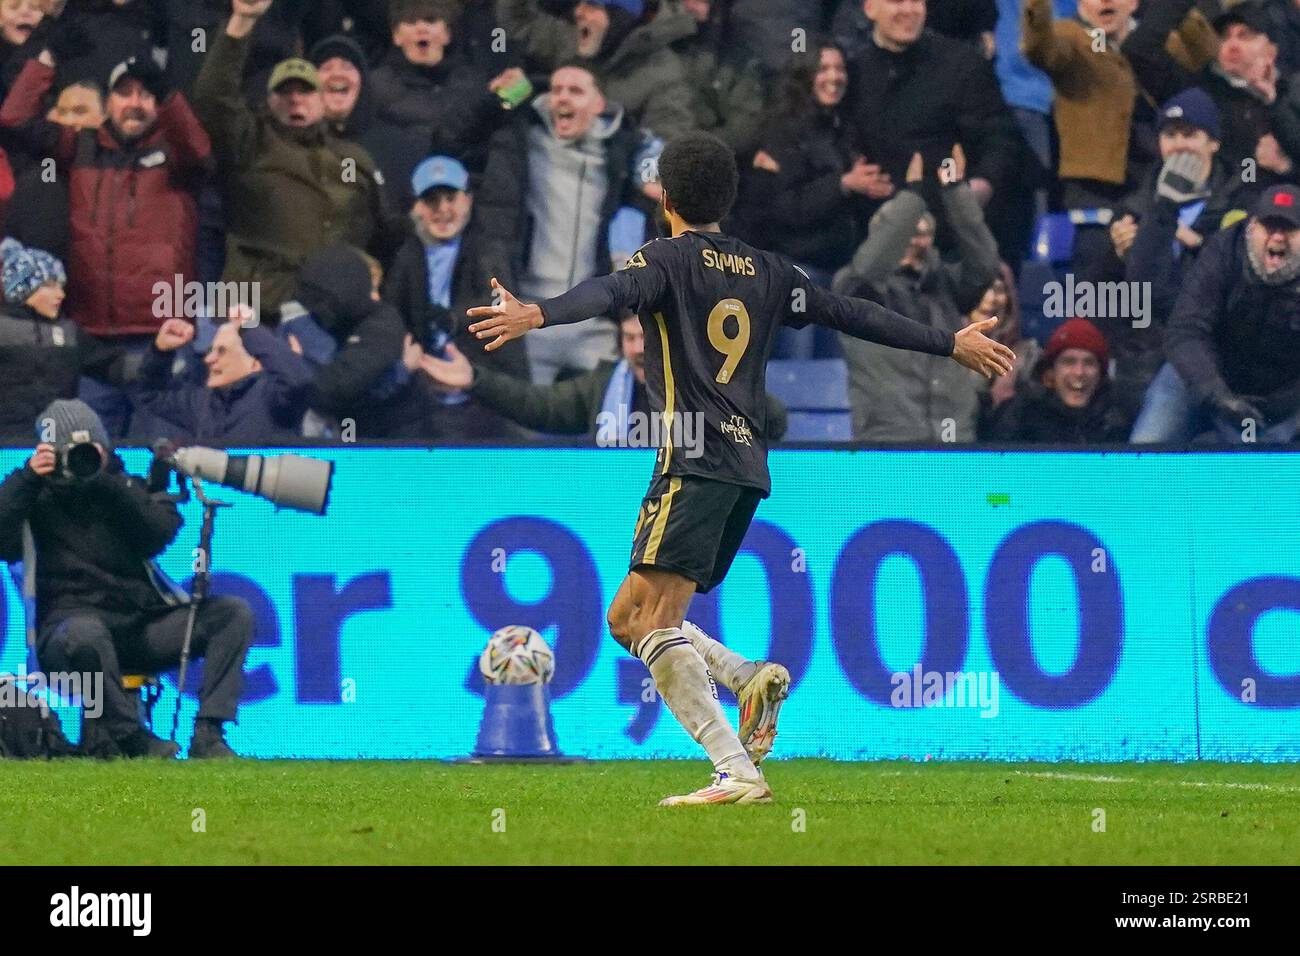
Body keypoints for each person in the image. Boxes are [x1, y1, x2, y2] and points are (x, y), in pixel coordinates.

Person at [465, 132, 1013, 805]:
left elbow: (609, 293)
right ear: (729, 198)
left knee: (656, 624)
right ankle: (744, 675)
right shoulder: (769, 270)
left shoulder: (661, 260)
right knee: (625, 619)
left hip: (692, 462)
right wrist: (946, 342)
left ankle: (737, 771)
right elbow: (852, 312)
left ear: (665, 198)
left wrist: (538, 314)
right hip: (744, 464)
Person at [0, 399, 254, 759]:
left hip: (138, 630)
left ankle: (209, 733)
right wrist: (28, 476)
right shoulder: (33, 499)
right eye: (70, 451)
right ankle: (133, 738)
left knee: (232, 613)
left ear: (105, 449)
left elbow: (159, 533)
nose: (82, 459)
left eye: (90, 450)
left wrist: (103, 481)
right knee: (87, 632)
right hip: (63, 638)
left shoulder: (122, 488)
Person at [0, 49, 213, 437]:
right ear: (107, 103)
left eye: (146, 95)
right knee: (88, 450)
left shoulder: (175, 153)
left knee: (167, 455)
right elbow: (15, 118)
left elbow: (201, 149)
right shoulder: (80, 146)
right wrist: (49, 55)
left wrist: (169, 98)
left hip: (163, 333)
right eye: (124, 93)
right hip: (93, 335)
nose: (135, 103)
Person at [193, 0, 399, 323]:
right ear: (269, 100)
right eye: (284, 93)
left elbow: (387, 232)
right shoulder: (250, 140)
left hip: (330, 311)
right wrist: (241, 22)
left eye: (305, 92)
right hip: (255, 309)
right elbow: (211, 98)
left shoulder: (353, 160)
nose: (295, 99)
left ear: (321, 101)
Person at [475, 63, 655, 384]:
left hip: (595, 323)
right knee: (525, 424)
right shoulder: (521, 139)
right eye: (556, 90)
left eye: (575, 91)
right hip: (529, 316)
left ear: (600, 105)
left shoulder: (624, 155)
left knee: (607, 426)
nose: (562, 98)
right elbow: (451, 135)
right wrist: (513, 90)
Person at [833, 146, 1000, 442]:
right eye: (903, 234)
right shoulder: (855, 290)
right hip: (886, 443)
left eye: (922, 234)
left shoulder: (946, 285)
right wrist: (914, 195)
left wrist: (955, 192)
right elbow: (871, 267)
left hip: (953, 439)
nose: (913, 242)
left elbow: (984, 266)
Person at [420, 309, 788, 441]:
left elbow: (775, 423)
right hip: (618, 510)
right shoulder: (602, 385)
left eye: (647, 339)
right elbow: (540, 406)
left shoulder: (706, 384)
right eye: (629, 338)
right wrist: (475, 380)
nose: (638, 348)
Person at [1132, 184, 1300, 443]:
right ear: (1251, 227)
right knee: (1148, 446)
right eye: (1269, 226)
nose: (1278, 237)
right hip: (1200, 378)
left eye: (1288, 228)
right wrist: (1215, 393)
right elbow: (1185, 330)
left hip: (1282, 401)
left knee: (1266, 477)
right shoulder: (1224, 250)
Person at [382, 154, 529, 438]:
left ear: (468, 200)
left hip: (483, 389)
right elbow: (392, 314)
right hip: (423, 393)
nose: (442, 210)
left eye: (451, 198)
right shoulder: (406, 256)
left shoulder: (488, 250)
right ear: (416, 207)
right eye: (431, 201)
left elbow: (500, 305)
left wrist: (453, 319)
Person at [133, 309, 315, 446]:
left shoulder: (273, 399)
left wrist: (248, 327)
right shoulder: (204, 401)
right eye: (211, 350)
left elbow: (299, 382)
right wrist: (160, 352)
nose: (209, 359)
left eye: (222, 351)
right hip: (210, 495)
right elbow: (152, 395)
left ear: (255, 363)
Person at [988, 317, 1130, 442]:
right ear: (1050, 372)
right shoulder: (1018, 416)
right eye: (1069, 362)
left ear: (1101, 375)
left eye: (1089, 363)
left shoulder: (1118, 421)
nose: (1079, 372)